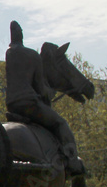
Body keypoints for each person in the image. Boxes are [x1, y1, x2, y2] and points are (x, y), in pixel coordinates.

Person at [5, 21, 84, 175]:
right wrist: (50, 92)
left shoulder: (9, 54)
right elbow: (41, 89)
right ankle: (72, 162)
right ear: (21, 34)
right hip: (29, 104)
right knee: (61, 123)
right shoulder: (32, 55)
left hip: (12, 104)